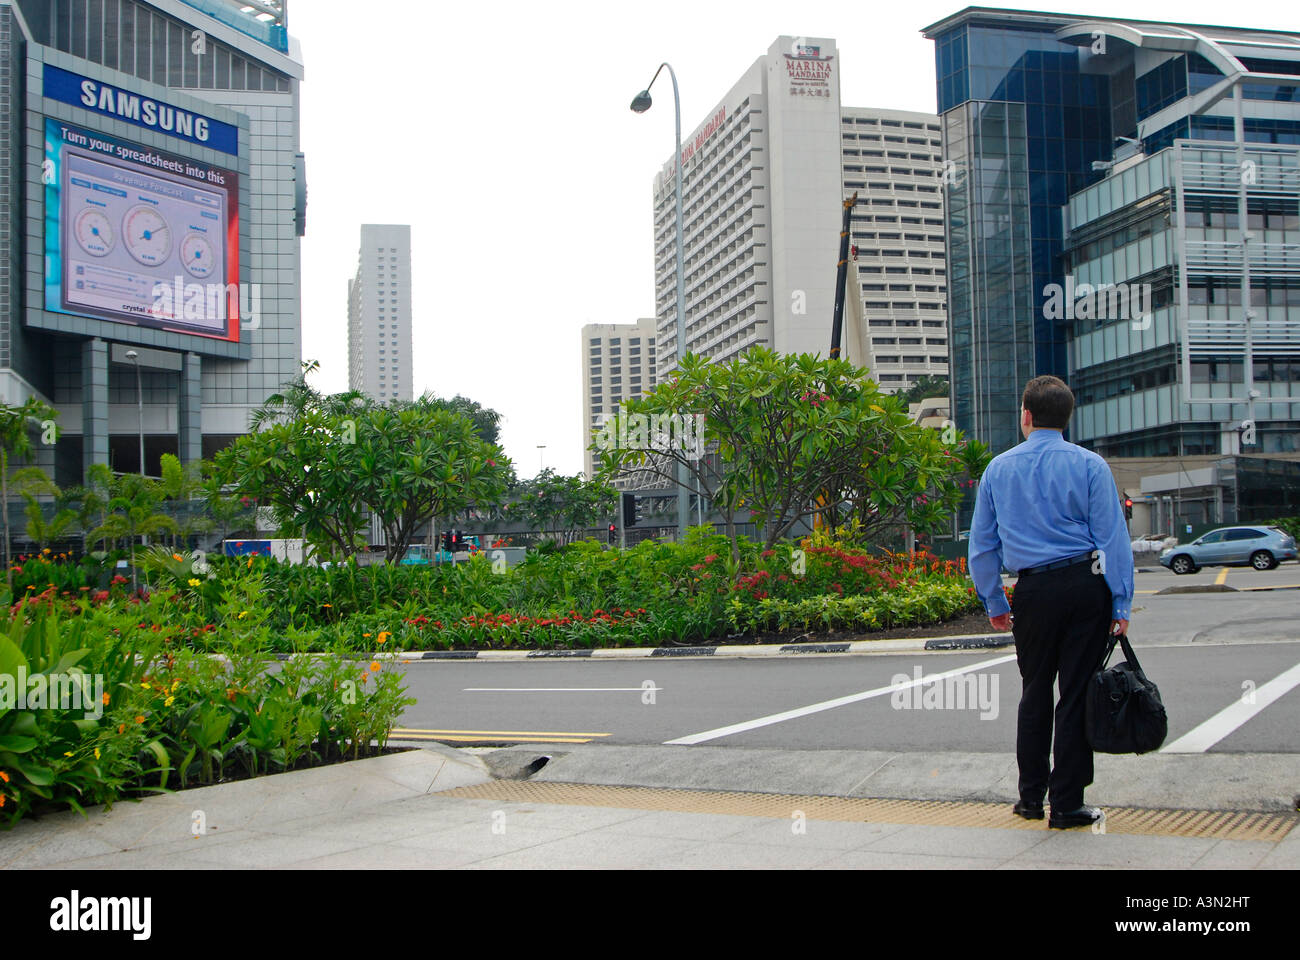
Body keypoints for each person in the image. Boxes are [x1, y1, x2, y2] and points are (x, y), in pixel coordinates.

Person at [967, 375, 1133, 829]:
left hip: (1033, 591)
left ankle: (1028, 798)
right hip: (1085, 586)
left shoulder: (998, 470)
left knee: (1034, 691)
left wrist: (995, 602)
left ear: (1025, 415)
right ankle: (1067, 804)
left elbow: (982, 545)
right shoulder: (1090, 465)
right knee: (1075, 694)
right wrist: (1121, 603)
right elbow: (1112, 540)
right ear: (1067, 418)